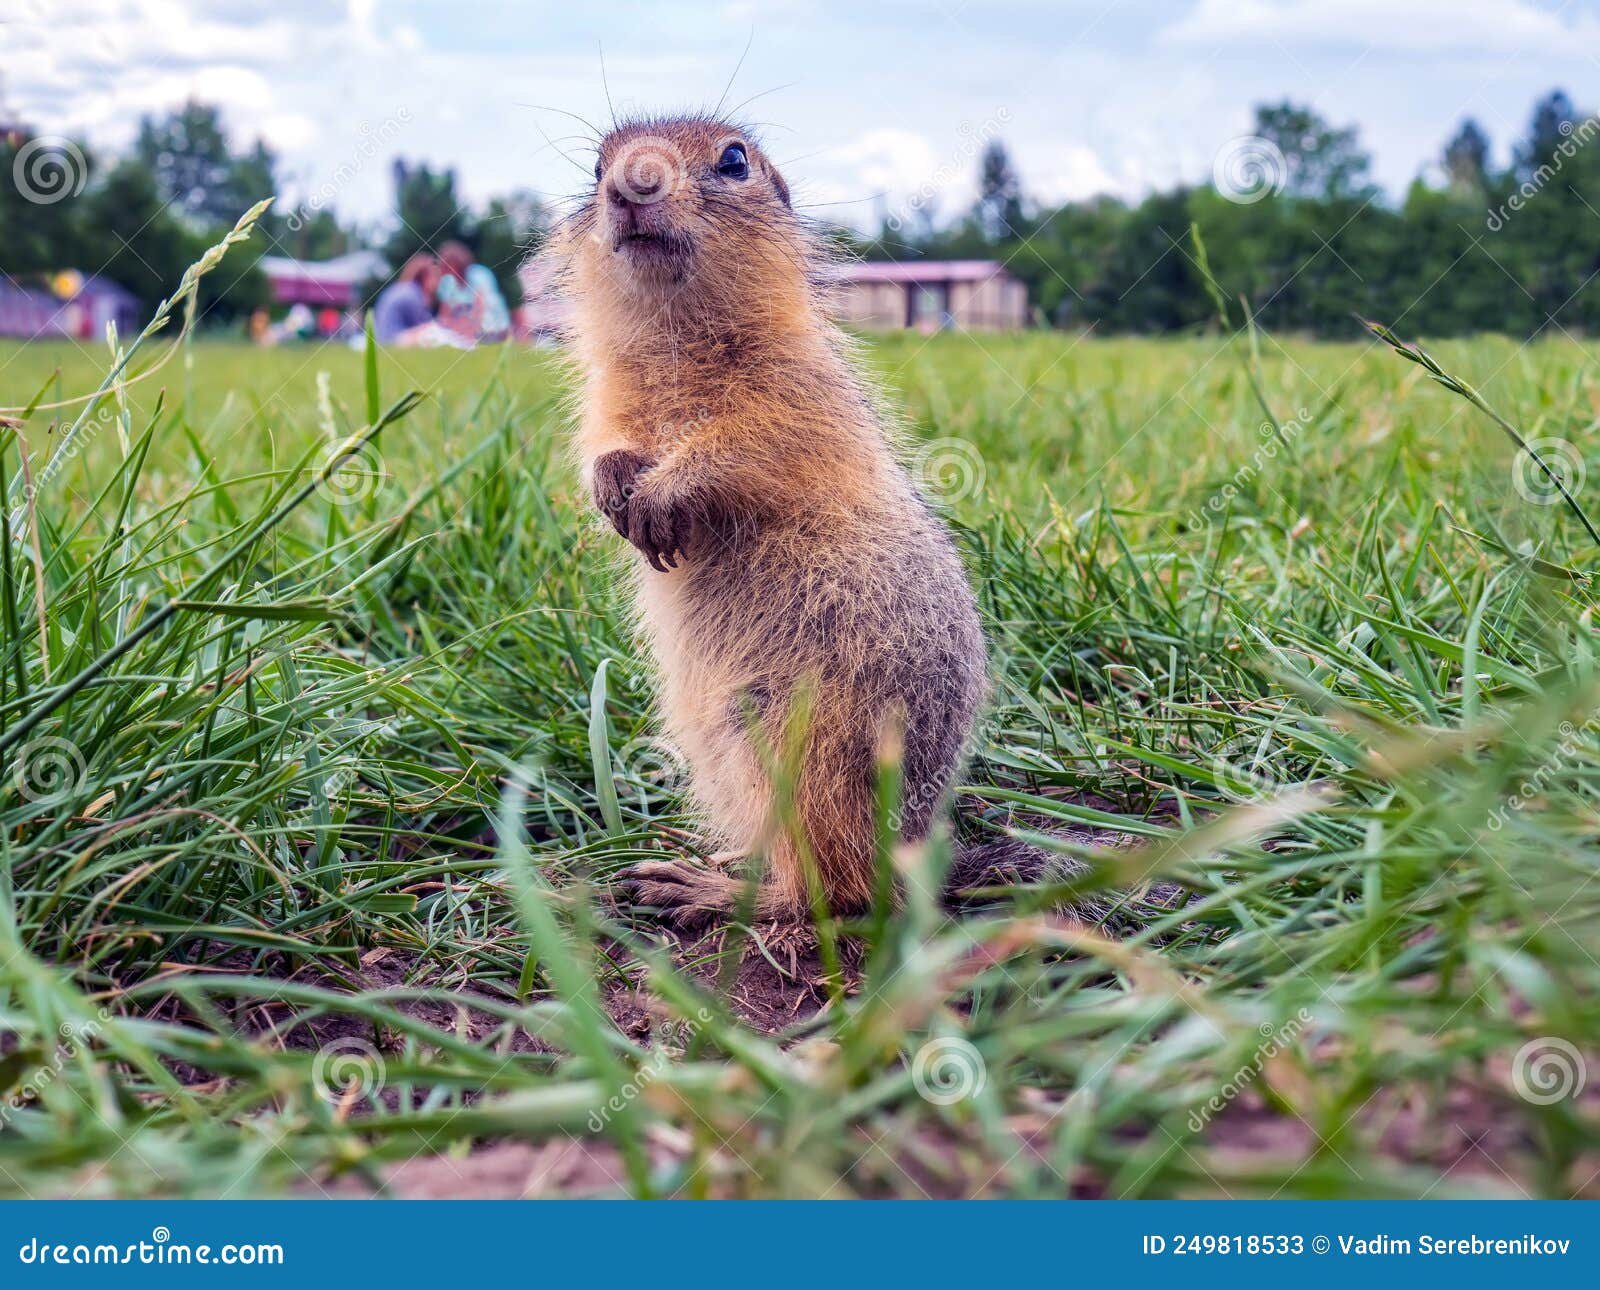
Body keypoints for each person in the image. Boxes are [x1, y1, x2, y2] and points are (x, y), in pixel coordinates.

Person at [436, 241, 511, 343]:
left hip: (491, 326)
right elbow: (444, 316)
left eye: (448, 264)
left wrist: (466, 330)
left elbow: (481, 309)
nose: (444, 268)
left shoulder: (478, 274)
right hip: (464, 329)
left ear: (459, 262)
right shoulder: (447, 282)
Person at [372, 254, 442, 345]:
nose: (439, 282)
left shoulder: (404, 289)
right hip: (391, 341)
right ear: (425, 276)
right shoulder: (412, 295)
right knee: (435, 331)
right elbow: (423, 325)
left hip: (381, 338)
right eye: (436, 276)